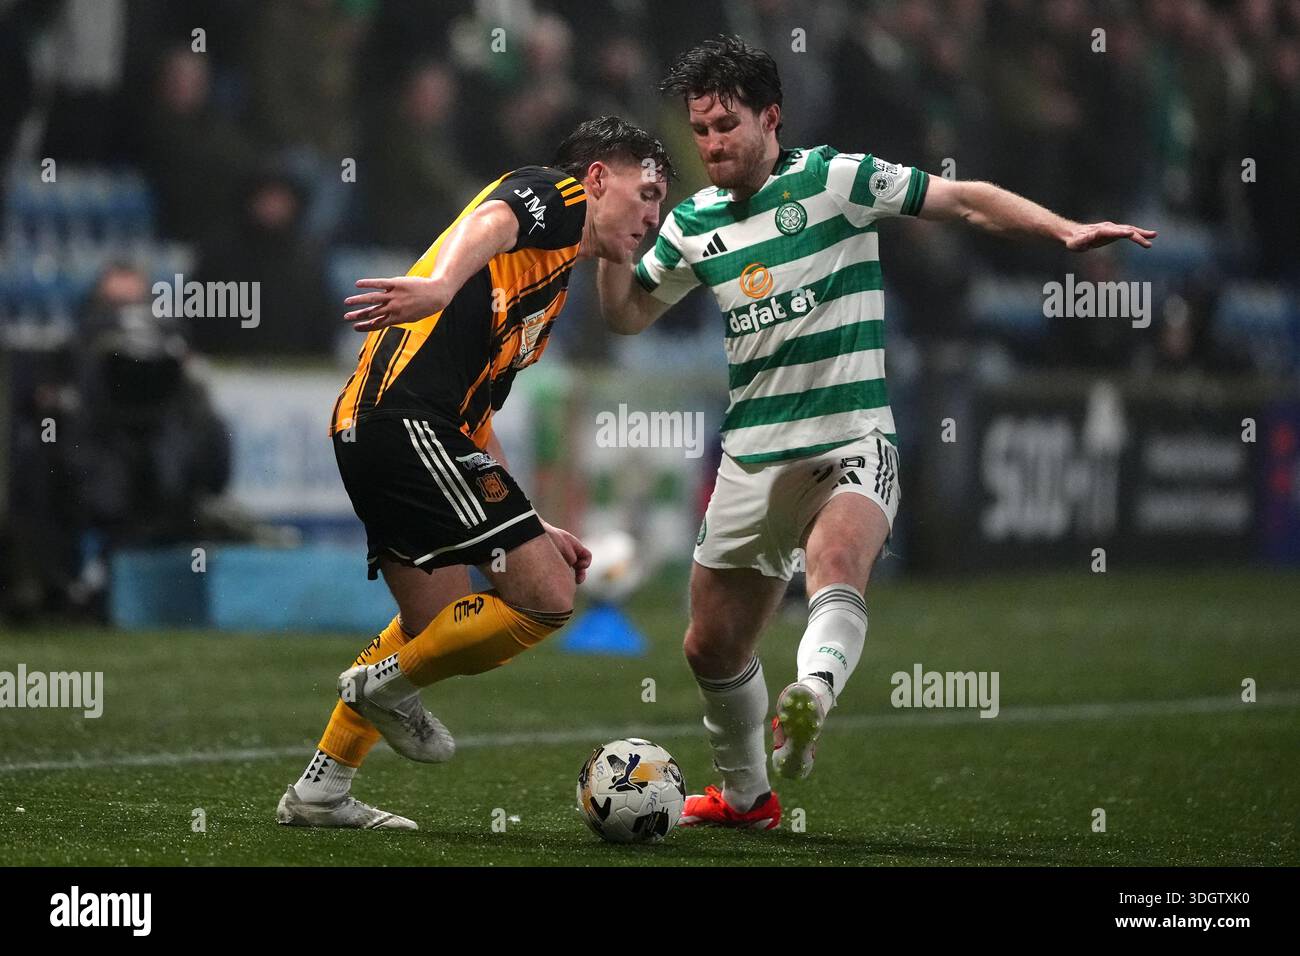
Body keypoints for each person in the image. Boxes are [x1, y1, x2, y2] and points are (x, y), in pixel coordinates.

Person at [597, 36, 1156, 830]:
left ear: (771, 116)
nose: (713, 144)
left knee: (835, 563)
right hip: (752, 458)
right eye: (701, 131)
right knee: (708, 648)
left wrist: (1061, 230)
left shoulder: (836, 180)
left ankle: (811, 697)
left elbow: (962, 200)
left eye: (727, 125)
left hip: (849, 439)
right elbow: (625, 316)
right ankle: (749, 798)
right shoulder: (693, 223)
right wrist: (608, 248)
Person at [275, 116, 672, 830]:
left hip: (391, 431)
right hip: (401, 419)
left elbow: (478, 415)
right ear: (598, 178)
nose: (653, 213)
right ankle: (385, 692)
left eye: (661, 200)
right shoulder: (553, 194)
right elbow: (490, 219)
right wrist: (438, 286)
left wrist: (532, 519)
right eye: (646, 192)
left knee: (432, 624)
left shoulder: (548, 291)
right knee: (548, 598)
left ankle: (320, 788)